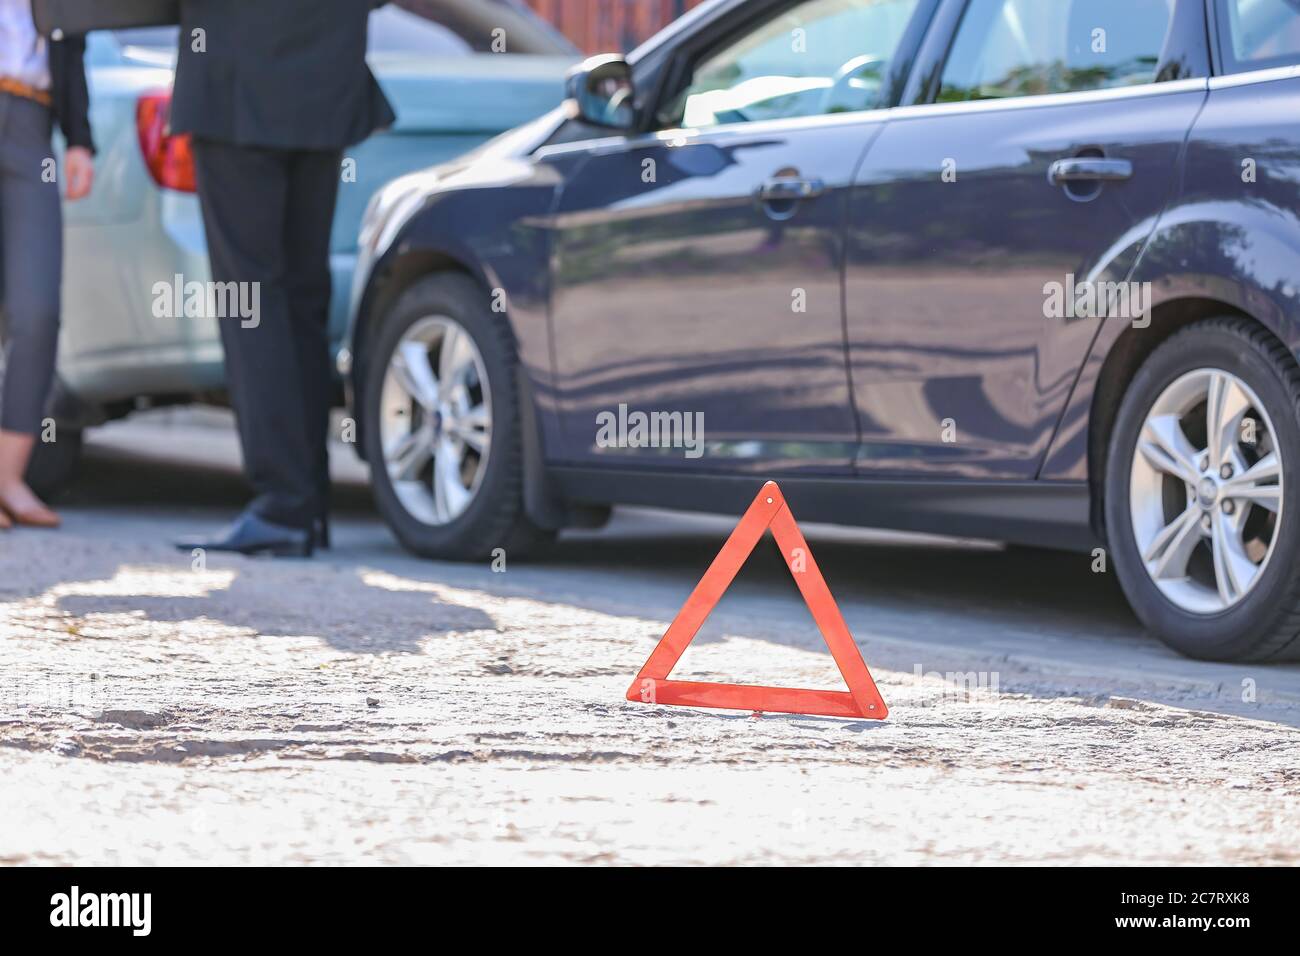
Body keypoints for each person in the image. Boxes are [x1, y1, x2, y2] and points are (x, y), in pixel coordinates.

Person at [173, 1, 394, 557]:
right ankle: (305, 503)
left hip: (237, 85)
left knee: (252, 299)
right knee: (300, 295)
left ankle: (283, 505)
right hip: (322, 85)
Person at [0, 0, 94, 531]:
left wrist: (80, 139)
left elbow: (71, 40)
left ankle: (9, 477)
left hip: (33, 124)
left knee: (37, 310)